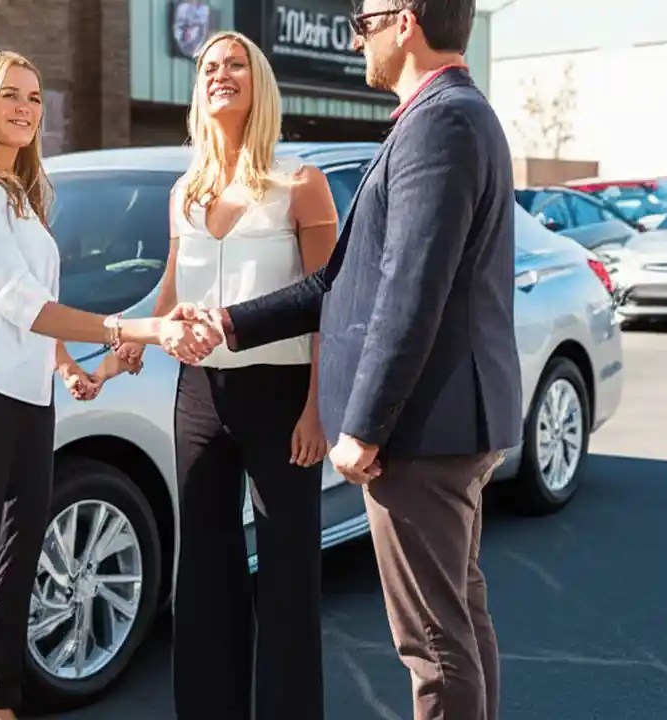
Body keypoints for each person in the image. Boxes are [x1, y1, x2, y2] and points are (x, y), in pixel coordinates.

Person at [188, 2, 522, 718]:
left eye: (364, 22)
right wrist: (227, 322)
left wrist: (365, 424)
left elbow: (412, 291)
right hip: (445, 425)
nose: (357, 38)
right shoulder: (443, 118)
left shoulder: (441, 124)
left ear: (405, 21)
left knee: (433, 645)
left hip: (423, 435)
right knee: (457, 625)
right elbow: (339, 283)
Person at [0, 50, 220, 720]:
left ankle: (0, 707)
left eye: (33, 98)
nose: (26, 109)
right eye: (10, 97)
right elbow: (16, 302)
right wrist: (127, 332)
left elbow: (40, 299)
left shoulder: (20, 196)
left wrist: (67, 367)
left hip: (31, 400)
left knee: (17, 564)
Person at [106, 30, 338, 720]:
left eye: (235, 64)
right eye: (210, 66)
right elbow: (172, 292)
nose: (220, 74)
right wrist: (122, 355)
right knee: (204, 569)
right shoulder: (185, 191)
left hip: (284, 394)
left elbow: (331, 296)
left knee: (289, 574)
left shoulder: (300, 183)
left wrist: (319, 407)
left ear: (258, 83)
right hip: (200, 394)